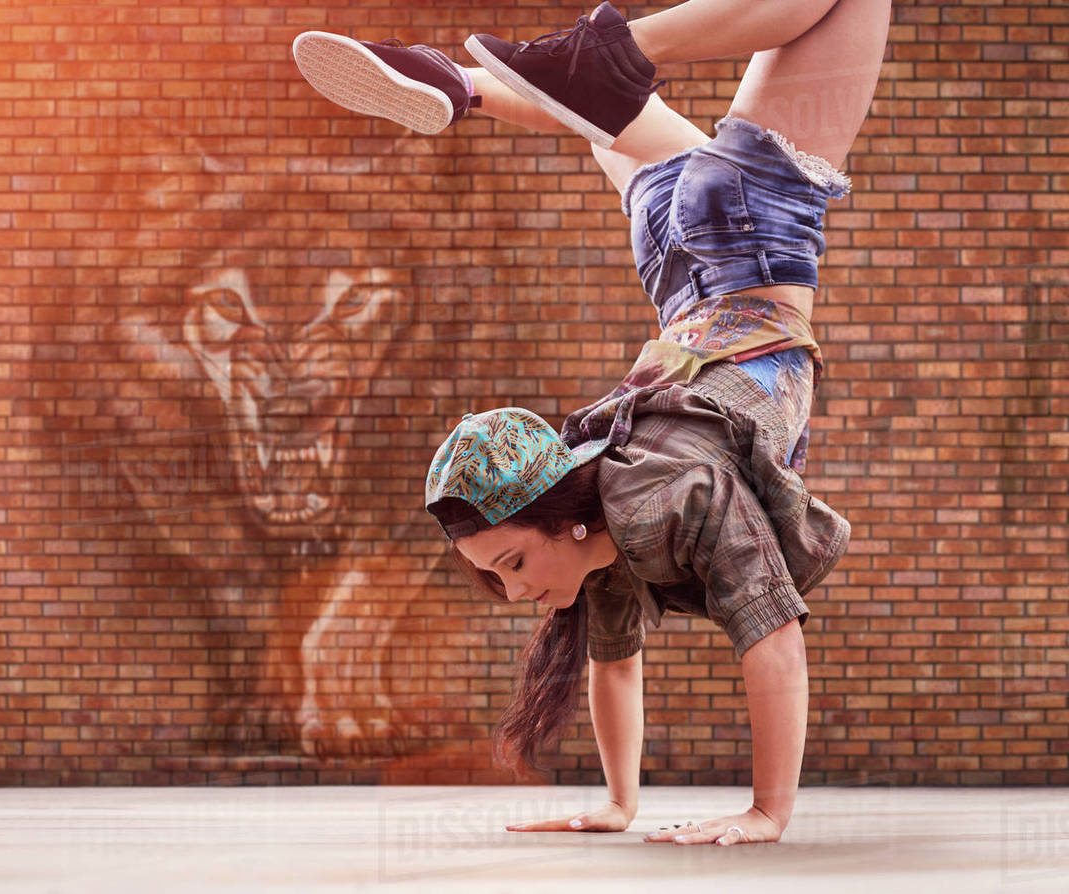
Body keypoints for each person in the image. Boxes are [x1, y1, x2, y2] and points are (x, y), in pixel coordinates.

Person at [294, 0, 891, 846]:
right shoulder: (606, 528)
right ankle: (464, 85)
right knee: (594, 115)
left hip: (745, 235)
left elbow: (774, 636)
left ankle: (613, 52)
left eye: (510, 563)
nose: (513, 591)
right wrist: (619, 803)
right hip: (676, 259)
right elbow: (616, 667)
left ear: (564, 518)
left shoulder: (666, 492)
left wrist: (768, 811)